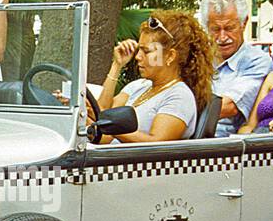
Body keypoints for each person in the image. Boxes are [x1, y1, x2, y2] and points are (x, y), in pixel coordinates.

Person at [90, 11, 213, 143]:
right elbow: (103, 111)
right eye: (139, 50)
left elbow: (155, 144)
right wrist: (117, 65)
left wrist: (106, 124)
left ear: (170, 56)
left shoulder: (179, 96)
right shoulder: (139, 86)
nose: (137, 57)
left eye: (146, 51)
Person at [198, 0, 273, 135]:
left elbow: (228, 107)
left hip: (223, 147)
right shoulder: (198, 58)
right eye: (215, 29)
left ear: (244, 23)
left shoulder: (257, 61)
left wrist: (176, 112)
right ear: (206, 27)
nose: (223, 37)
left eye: (230, 28)